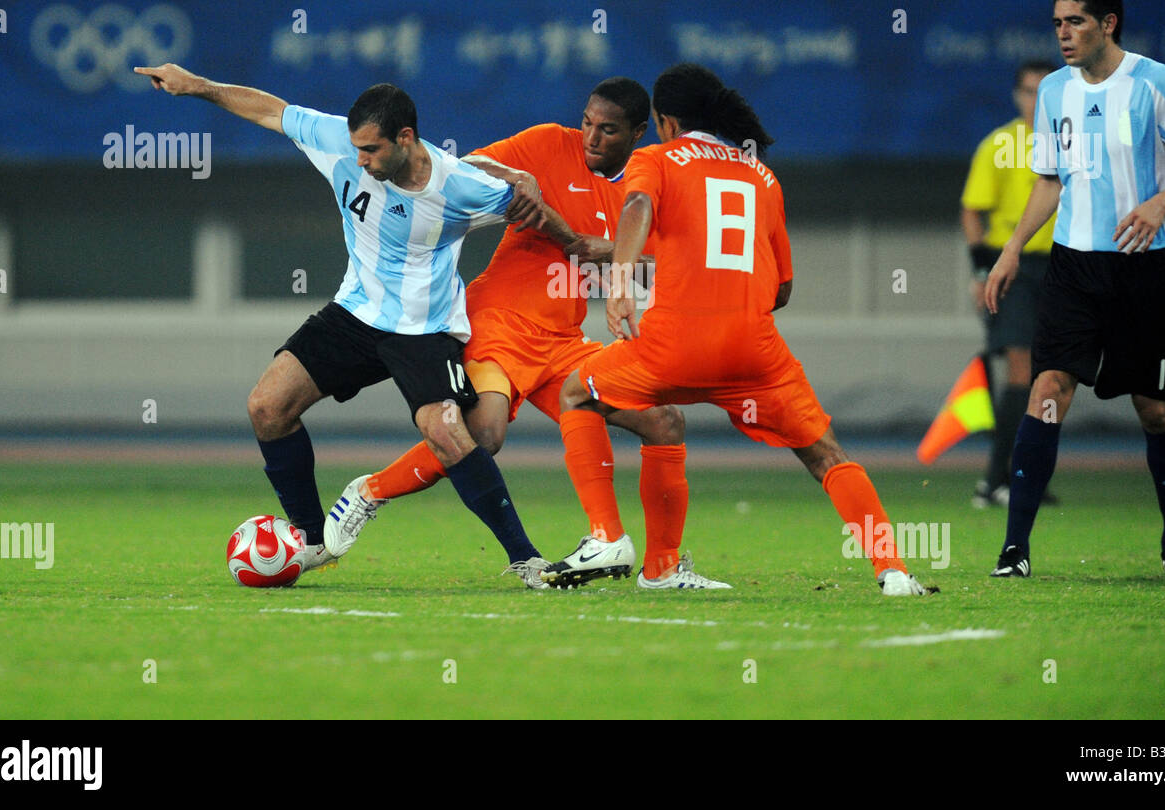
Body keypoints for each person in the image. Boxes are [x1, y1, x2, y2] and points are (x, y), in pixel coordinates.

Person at [132, 62, 556, 588]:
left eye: (372, 150)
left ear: (405, 139)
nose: (360, 159)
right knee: (267, 407)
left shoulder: (458, 186)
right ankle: (311, 542)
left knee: (445, 432)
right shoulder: (339, 141)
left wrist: (563, 224)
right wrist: (198, 86)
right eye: (356, 148)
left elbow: (532, 210)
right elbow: (270, 109)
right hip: (354, 314)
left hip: (424, 327)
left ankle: (527, 560)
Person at [558, 62, 932, 596]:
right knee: (827, 453)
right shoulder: (762, 174)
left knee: (575, 393)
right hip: (753, 354)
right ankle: (893, 571)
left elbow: (638, 203)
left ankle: (616, 542)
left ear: (665, 122)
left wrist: (620, 280)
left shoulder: (656, 159)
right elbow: (782, 289)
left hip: (669, 348)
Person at [332, 78, 705, 589]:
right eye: (587, 123)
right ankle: (369, 491)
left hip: (562, 341)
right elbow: (456, 169)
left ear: (639, 133)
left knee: (663, 420)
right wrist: (515, 174)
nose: (591, 137)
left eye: (608, 130)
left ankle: (659, 567)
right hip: (498, 321)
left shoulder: (647, 185)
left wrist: (614, 252)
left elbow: (665, 263)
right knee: (484, 434)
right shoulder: (551, 142)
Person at [984, 0, 1165, 579]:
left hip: (1145, 272)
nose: (1063, 34)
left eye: (1075, 22)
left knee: (1156, 411)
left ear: (1108, 24)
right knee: (1047, 395)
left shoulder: (1156, 82)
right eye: (1057, 24)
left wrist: (1162, 202)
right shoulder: (1052, 91)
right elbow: (1050, 178)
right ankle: (1014, 551)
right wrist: (1013, 247)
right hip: (1072, 267)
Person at [961, 59, 1057, 508]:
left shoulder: (1071, 140)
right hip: (1014, 269)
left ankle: (1025, 477)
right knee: (1021, 371)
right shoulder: (999, 144)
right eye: (1027, 91)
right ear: (1016, 95)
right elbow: (972, 210)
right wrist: (983, 273)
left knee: (1049, 378)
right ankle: (995, 480)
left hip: (1063, 269)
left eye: (1043, 91)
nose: (1034, 101)